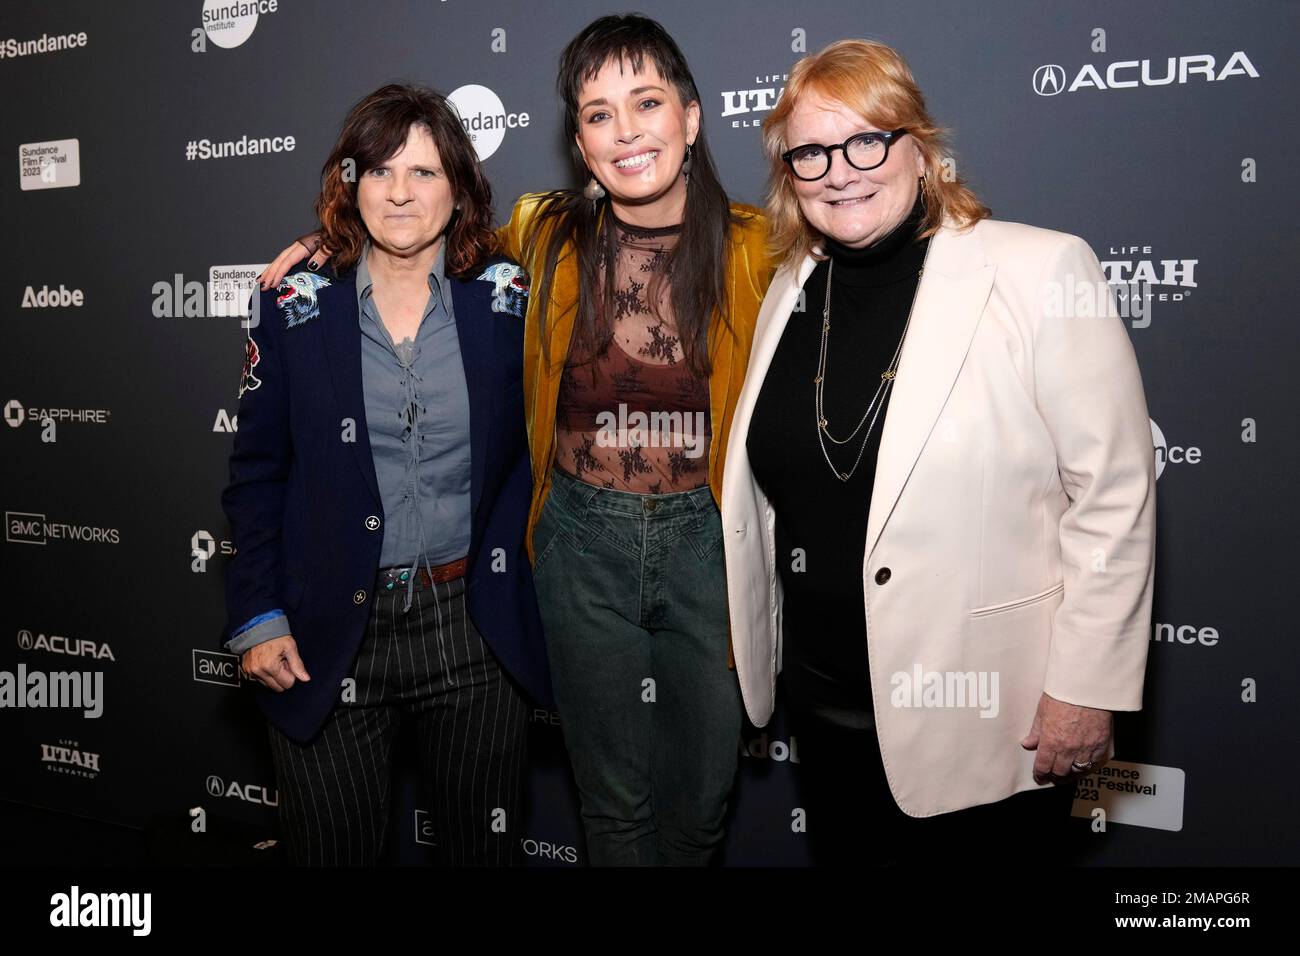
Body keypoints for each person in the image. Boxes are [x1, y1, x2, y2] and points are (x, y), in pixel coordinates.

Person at [260, 15, 774, 866]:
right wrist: (331, 243)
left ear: (690, 115)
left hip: (708, 546)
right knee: (609, 805)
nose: (626, 131)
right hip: (578, 541)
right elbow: (418, 231)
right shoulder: (544, 233)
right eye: (598, 114)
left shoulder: (763, 246)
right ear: (578, 139)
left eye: (645, 103)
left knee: (698, 805)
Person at [722, 39, 1156, 865]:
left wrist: (1087, 689)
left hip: (991, 719)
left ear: (918, 147)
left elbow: (1114, 494)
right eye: (810, 151)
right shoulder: (791, 286)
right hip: (825, 709)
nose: (838, 171)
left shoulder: (1036, 270)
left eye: (866, 140)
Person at [224, 83, 551, 866]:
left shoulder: (513, 297)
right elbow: (257, 473)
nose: (400, 193)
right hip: (329, 629)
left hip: (473, 627)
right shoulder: (296, 305)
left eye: (425, 173)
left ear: (462, 189)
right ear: (350, 184)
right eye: (378, 172)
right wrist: (258, 615)